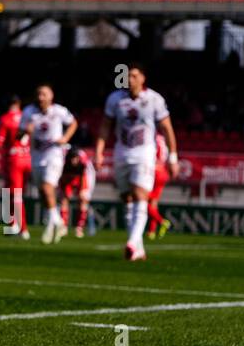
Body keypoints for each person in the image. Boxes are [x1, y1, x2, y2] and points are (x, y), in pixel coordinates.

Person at [95, 63, 177, 261]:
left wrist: (172, 156)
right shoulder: (115, 99)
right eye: (126, 76)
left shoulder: (154, 99)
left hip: (144, 153)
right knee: (127, 198)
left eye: (133, 76)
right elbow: (105, 126)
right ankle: (138, 249)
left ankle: (131, 242)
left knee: (140, 194)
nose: (129, 79)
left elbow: (167, 128)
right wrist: (99, 152)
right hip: (121, 153)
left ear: (142, 78)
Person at [18, 84, 77, 244]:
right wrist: (25, 131)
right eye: (38, 94)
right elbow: (19, 134)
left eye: (44, 94)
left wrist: (65, 138)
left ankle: (55, 222)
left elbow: (73, 123)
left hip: (54, 155)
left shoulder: (59, 111)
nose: (40, 97)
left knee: (47, 187)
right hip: (36, 156)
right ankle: (56, 221)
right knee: (43, 193)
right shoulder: (29, 112)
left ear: (51, 96)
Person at [0, 95, 30, 239]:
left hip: (14, 159)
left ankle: (20, 227)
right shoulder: (26, 117)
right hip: (28, 158)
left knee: (14, 194)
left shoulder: (5, 119)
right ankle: (17, 226)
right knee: (18, 194)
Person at [146, 133, 178, 240]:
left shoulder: (151, 137)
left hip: (153, 171)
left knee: (141, 199)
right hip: (163, 172)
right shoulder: (164, 139)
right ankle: (151, 232)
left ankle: (162, 221)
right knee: (153, 202)